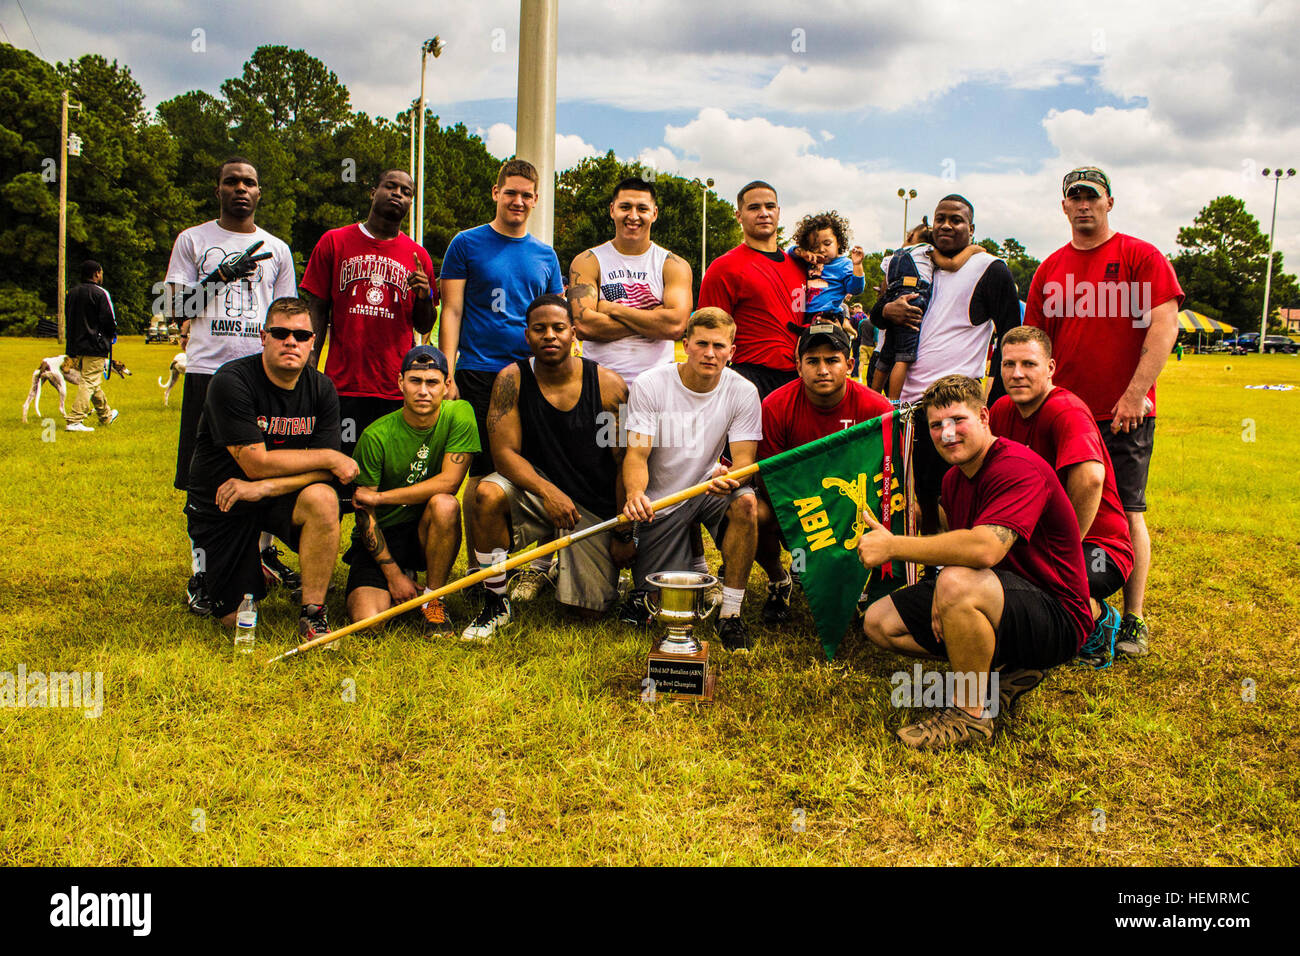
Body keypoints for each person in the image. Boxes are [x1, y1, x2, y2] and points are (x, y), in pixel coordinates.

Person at [858, 374, 1092, 750]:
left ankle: (970, 715)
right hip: (1001, 595)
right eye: (936, 425)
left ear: (984, 417)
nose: (947, 433)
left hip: (1059, 616)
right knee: (879, 622)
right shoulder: (953, 479)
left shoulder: (1016, 466)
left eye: (957, 421)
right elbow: (960, 551)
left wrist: (894, 547)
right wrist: (943, 590)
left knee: (957, 585)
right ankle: (1005, 672)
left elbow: (985, 550)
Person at [1024, 166, 1183, 657]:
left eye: (1092, 196)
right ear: (1064, 206)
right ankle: (1070, 604)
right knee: (1058, 509)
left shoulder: (1141, 256)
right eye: (1074, 197)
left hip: (1124, 413)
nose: (1083, 204)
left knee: (1129, 510)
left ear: (1109, 202)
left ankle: (1133, 619)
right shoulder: (1051, 267)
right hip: (1065, 414)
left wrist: (1136, 393)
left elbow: (1164, 327)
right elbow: (1034, 341)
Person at [164, 157, 298, 613]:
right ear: (218, 189)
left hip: (261, 376)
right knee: (203, 477)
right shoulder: (194, 240)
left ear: (260, 192)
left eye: (250, 182)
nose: (241, 188)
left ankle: (261, 555)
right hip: (207, 370)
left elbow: (287, 318)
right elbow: (172, 306)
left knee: (263, 467)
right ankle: (202, 571)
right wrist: (216, 276)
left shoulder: (277, 249)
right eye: (232, 181)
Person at [183, 297, 356, 642]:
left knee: (323, 498)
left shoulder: (322, 388)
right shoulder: (232, 381)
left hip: (265, 493)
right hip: (225, 500)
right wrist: (328, 459)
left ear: (313, 341)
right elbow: (256, 462)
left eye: (302, 335)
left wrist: (262, 488)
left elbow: (328, 471)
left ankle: (313, 613)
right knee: (235, 617)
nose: (291, 341)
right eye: (280, 333)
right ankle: (229, 572)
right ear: (263, 337)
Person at [461, 294, 631, 642]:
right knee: (487, 493)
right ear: (527, 336)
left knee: (587, 613)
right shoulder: (511, 379)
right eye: (540, 329)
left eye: (558, 328)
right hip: (535, 492)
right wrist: (547, 491)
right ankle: (496, 601)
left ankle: (569, 567)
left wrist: (622, 533)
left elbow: (624, 462)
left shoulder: (609, 385)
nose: (549, 336)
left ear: (574, 333)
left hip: (590, 504)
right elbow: (504, 453)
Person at [438, 158, 565, 573]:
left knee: (530, 464)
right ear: (496, 193)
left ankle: (532, 563)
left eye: (526, 195)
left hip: (530, 375)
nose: (518, 201)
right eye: (510, 192)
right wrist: (449, 371)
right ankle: (482, 568)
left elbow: (552, 317)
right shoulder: (466, 244)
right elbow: (452, 311)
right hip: (478, 371)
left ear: (536, 199)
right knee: (483, 470)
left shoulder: (545, 255)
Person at [868, 195, 1021, 535]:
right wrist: (885, 312)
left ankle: (948, 563)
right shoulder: (918, 261)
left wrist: (994, 400)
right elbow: (880, 311)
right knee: (908, 489)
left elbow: (1009, 336)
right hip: (904, 406)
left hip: (951, 405)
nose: (947, 226)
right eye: (940, 219)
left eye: (956, 220)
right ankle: (915, 568)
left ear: (972, 229)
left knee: (948, 489)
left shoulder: (990, 269)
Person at [989, 326, 1134, 666]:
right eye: (1008, 365)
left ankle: (1099, 618)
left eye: (1029, 364)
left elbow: (1090, 479)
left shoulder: (1065, 410)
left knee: (1032, 586)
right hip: (1036, 538)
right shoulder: (1000, 411)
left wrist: (1063, 552)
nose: (1017, 374)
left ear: (1051, 368)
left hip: (1099, 547)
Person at [620, 307, 763, 651]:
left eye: (719, 346)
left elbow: (744, 463)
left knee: (745, 501)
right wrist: (636, 495)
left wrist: (731, 477)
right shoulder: (650, 384)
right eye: (701, 343)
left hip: (707, 490)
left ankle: (731, 614)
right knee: (652, 601)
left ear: (732, 351)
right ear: (685, 344)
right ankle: (682, 563)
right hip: (661, 505)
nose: (710, 353)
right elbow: (636, 455)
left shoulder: (743, 391)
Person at [755, 321, 893, 623]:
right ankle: (780, 581)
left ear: (850, 364)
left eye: (832, 360)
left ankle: (876, 590)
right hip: (796, 505)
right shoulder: (775, 406)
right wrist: (806, 518)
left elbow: (887, 477)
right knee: (751, 511)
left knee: (906, 508)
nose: (823, 370)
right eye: (813, 361)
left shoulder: (876, 407)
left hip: (853, 507)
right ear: (798, 365)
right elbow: (767, 478)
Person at [300, 168, 436, 458]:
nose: (398, 194)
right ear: (373, 192)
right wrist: (309, 366)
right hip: (342, 383)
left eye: (406, 191)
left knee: (385, 475)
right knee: (337, 472)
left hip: (394, 386)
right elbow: (317, 309)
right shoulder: (335, 241)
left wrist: (425, 296)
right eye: (391, 186)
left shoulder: (418, 256)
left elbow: (424, 324)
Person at [345, 345, 479, 633]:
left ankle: (434, 600)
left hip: (424, 528)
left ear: (446, 385)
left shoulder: (460, 413)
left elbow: (450, 483)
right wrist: (393, 576)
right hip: (384, 532)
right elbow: (363, 513)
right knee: (369, 623)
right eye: (415, 381)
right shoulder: (375, 436)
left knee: (445, 504)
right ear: (400, 382)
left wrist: (381, 497)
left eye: (432, 382)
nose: (423, 391)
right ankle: (401, 577)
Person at [568, 177, 693, 386]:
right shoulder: (587, 261)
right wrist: (654, 318)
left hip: (656, 389)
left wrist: (612, 309)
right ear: (612, 210)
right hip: (597, 386)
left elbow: (675, 327)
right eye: (625, 207)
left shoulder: (673, 265)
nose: (633, 216)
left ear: (654, 213)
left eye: (642, 208)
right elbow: (584, 326)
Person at [697, 181, 808, 399]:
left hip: (799, 376)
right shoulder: (724, 267)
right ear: (739, 216)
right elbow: (708, 332)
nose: (764, 213)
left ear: (778, 211)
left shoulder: (800, 265)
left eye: (770, 206)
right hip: (750, 377)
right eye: (754, 208)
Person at [63, 260, 119, 432]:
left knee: (92, 381)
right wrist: (111, 336)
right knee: (89, 380)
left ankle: (106, 416)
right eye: (100, 273)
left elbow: (69, 318)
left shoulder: (71, 293)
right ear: (96, 274)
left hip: (76, 345)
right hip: (95, 345)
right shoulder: (101, 293)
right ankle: (74, 420)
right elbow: (109, 320)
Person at [787, 210, 866, 323]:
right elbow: (790, 253)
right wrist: (802, 252)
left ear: (838, 242)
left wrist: (857, 266)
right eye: (814, 246)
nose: (821, 249)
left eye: (827, 244)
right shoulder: (809, 262)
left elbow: (855, 289)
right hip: (805, 315)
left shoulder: (843, 264)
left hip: (830, 314)